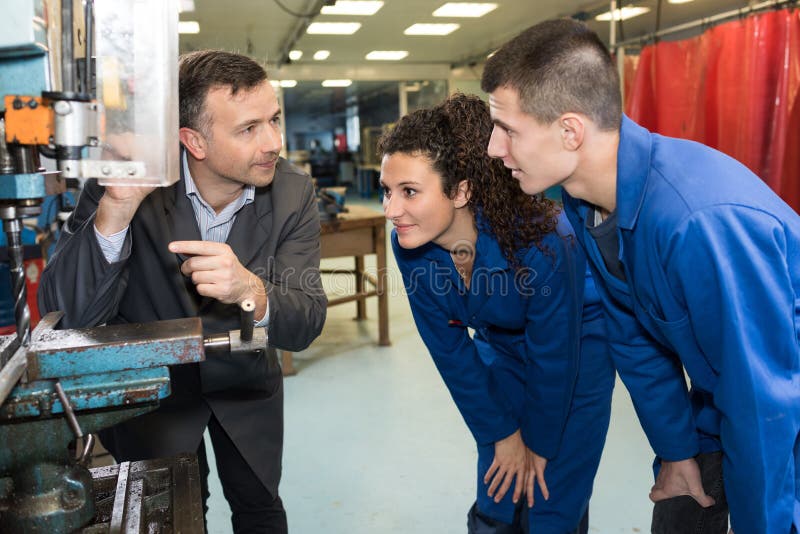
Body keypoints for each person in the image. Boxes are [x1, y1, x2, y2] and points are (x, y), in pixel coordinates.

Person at [481, 18, 800, 534]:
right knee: (680, 510)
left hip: (777, 409)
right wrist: (677, 452)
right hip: (728, 402)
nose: (495, 148)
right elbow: (632, 337)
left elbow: (764, 400)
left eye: (508, 129)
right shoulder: (585, 202)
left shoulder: (697, 223)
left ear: (569, 131)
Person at [38, 50, 327, 533]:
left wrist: (251, 290)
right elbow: (69, 321)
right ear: (192, 140)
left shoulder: (294, 192)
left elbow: (306, 322)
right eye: (248, 128)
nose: (274, 141)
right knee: (168, 518)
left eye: (274, 119)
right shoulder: (129, 181)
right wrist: (116, 211)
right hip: (155, 393)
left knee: (260, 508)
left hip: (246, 383)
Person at [379, 92, 615, 533]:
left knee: (550, 491)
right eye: (386, 191)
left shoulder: (545, 242)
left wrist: (540, 445)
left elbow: (555, 357)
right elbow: (450, 352)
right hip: (501, 343)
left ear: (462, 190)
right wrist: (503, 435)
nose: (392, 211)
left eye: (409, 191)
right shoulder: (410, 247)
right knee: (499, 485)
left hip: (577, 349)